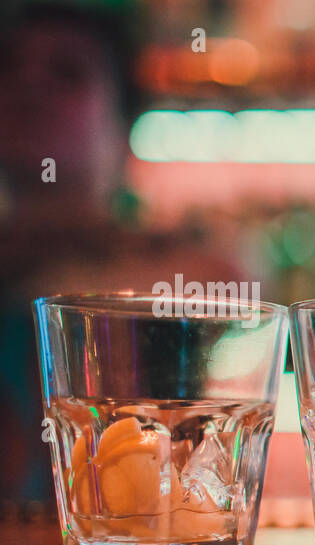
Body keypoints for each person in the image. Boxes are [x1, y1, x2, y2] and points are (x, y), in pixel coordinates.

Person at [0, 2, 243, 510]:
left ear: (123, 123)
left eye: (67, 72)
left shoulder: (184, 267)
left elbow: (234, 285)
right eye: (9, 66)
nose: (27, 87)